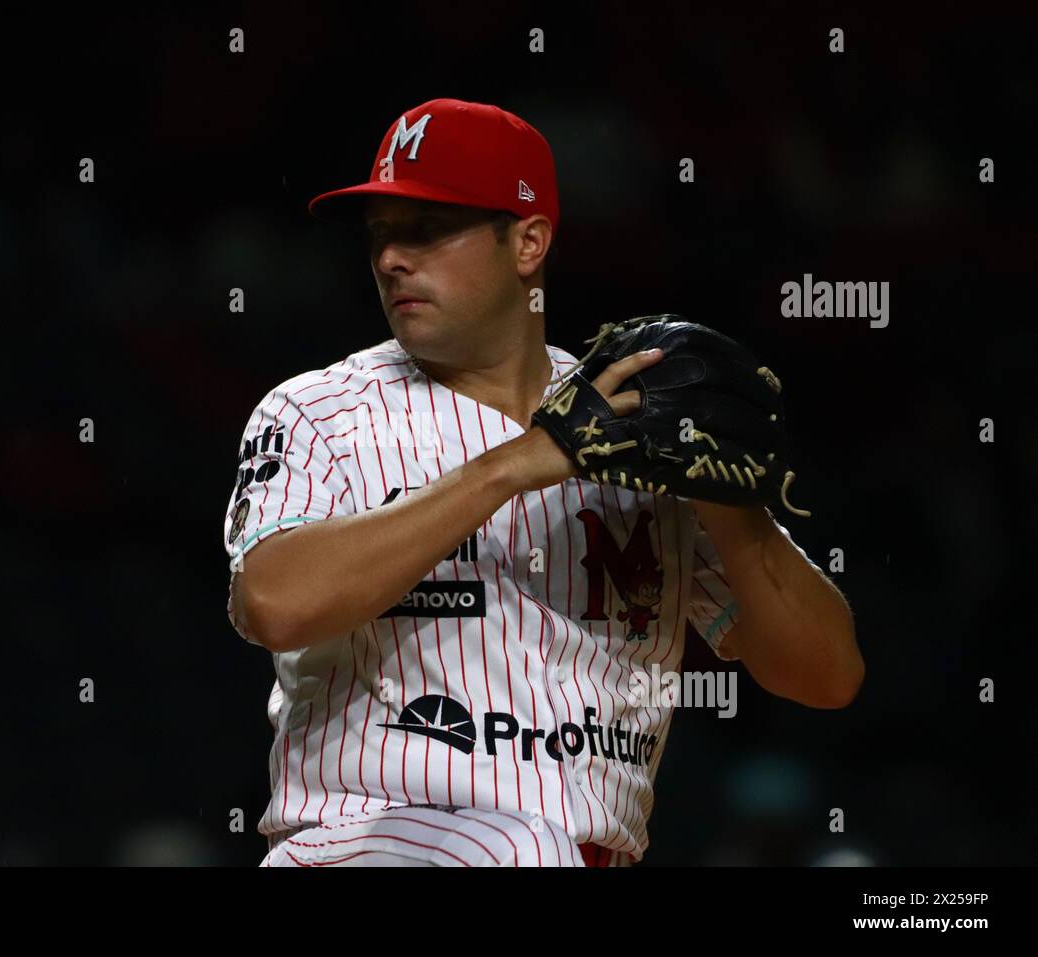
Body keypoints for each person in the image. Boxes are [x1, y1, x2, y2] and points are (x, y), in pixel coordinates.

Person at [223, 97, 863, 867]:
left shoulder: (631, 416)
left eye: (425, 228)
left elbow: (828, 676)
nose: (392, 258)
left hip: (581, 854)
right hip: (364, 842)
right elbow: (273, 601)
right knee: (515, 842)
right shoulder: (320, 411)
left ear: (527, 241)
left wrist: (733, 508)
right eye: (381, 233)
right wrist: (512, 464)